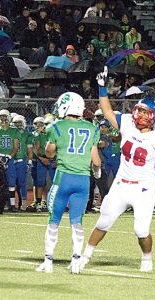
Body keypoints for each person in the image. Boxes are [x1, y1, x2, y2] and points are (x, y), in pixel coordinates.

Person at [80, 67, 155, 272]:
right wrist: (102, 88)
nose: (139, 114)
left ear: (153, 116)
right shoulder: (127, 125)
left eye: (144, 112)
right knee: (103, 222)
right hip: (121, 184)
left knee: (141, 230)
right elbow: (106, 111)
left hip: (144, 188)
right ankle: (85, 255)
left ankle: (147, 259)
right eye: (138, 110)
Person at [35, 92, 101, 274]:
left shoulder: (57, 126)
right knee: (77, 222)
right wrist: (97, 172)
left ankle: (48, 262)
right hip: (83, 180)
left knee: (54, 221)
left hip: (63, 178)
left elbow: (49, 153)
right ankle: (76, 262)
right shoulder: (92, 128)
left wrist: (51, 147)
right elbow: (96, 162)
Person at [0, 110, 20, 212]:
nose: (3, 119)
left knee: (11, 181)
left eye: (5, 117)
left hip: (9, 158)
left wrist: (9, 157)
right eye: (1, 117)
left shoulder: (14, 131)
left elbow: (15, 147)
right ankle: (2, 203)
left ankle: (11, 204)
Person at [12, 115, 33, 211]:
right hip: (11, 160)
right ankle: (9, 203)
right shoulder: (10, 132)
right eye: (16, 123)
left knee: (22, 183)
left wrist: (29, 161)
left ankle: (23, 203)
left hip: (21, 161)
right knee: (11, 183)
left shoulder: (27, 135)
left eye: (20, 123)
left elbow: (29, 150)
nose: (18, 125)